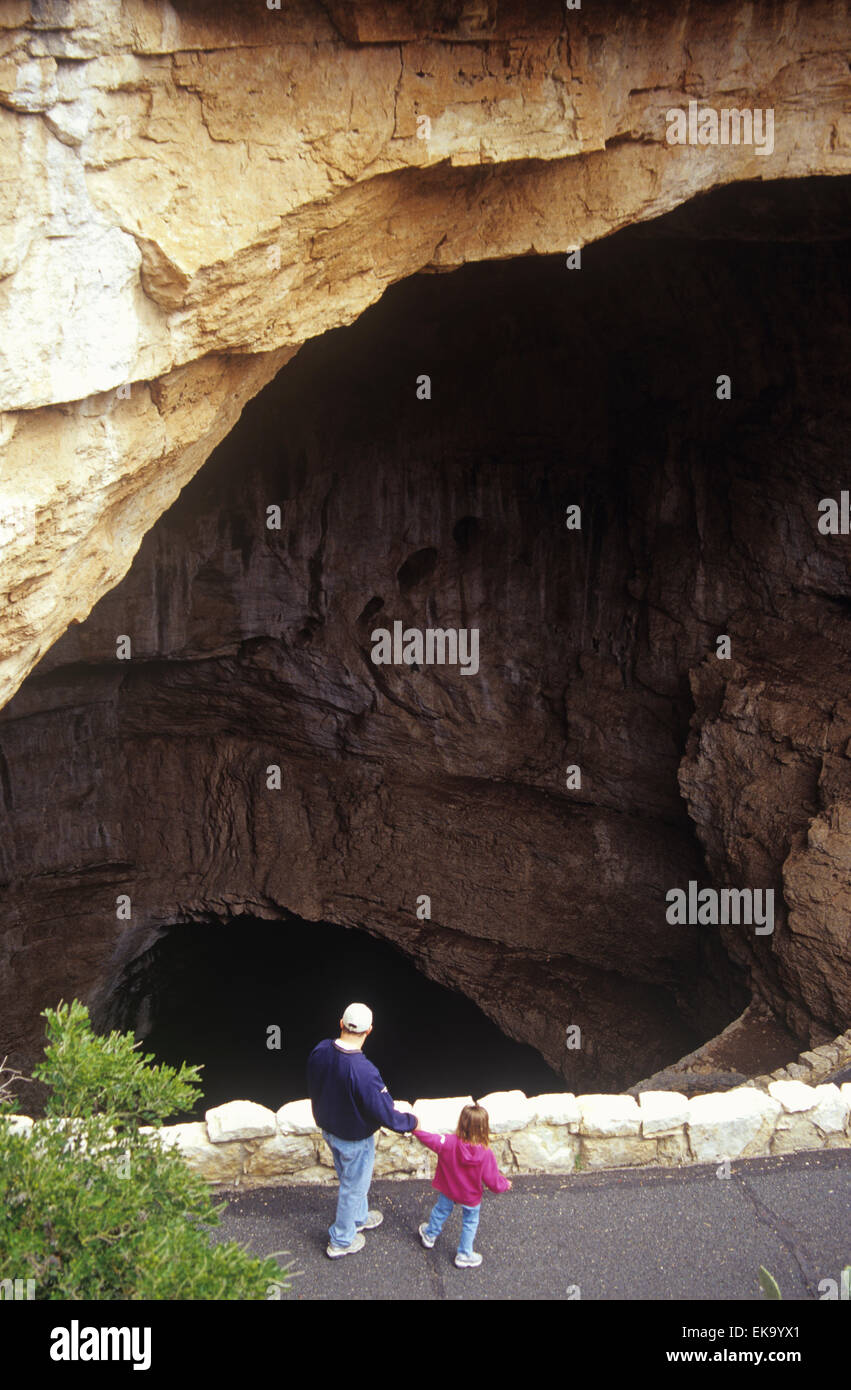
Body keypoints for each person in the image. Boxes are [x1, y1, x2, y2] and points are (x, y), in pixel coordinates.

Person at [307, 1002, 419, 1258]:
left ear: (341, 1024)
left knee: (351, 1180)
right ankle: (341, 1240)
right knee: (353, 1188)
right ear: (369, 1031)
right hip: (353, 1138)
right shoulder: (363, 1071)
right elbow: (384, 1110)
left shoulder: (320, 1050)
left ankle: (359, 1218)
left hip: (330, 1128)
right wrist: (410, 1123)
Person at [413, 1101, 511, 1268]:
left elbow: (430, 1139)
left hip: (449, 1189)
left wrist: (416, 1129)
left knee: (441, 1210)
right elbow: (492, 1180)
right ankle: (464, 1254)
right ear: (484, 1127)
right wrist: (505, 1184)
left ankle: (429, 1235)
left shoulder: (448, 1143)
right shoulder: (486, 1153)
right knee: (470, 1222)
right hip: (470, 1196)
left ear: (461, 1123)